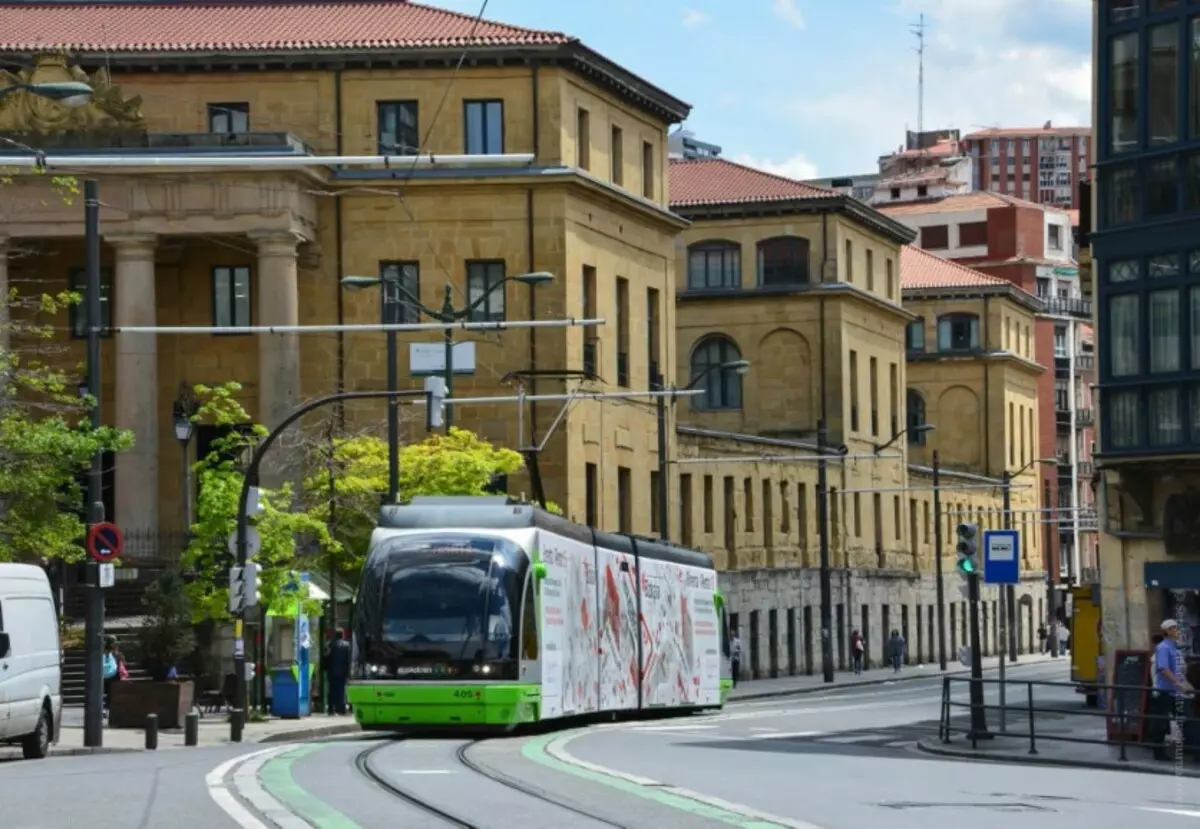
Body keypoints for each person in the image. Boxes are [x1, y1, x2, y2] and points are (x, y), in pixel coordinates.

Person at [1151, 619, 1192, 760]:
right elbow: (1163, 668)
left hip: (1176, 691)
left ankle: (1193, 749)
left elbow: (1180, 666)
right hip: (1165, 690)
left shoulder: (1175, 647)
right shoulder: (1163, 647)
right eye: (1175, 628)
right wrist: (1176, 682)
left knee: (1187, 718)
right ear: (1167, 632)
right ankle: (1157, 752)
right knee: (1162, 722)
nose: (1178, 631)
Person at [325, 628, 351, 715]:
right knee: (341, 690)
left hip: (331, 672)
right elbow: (348, 660)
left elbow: (326, 658)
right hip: (342, 672)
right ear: (343, 635)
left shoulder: (330, 644)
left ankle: (331, 709)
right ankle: (341, 709)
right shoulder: (347, 645)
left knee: (331, 690)